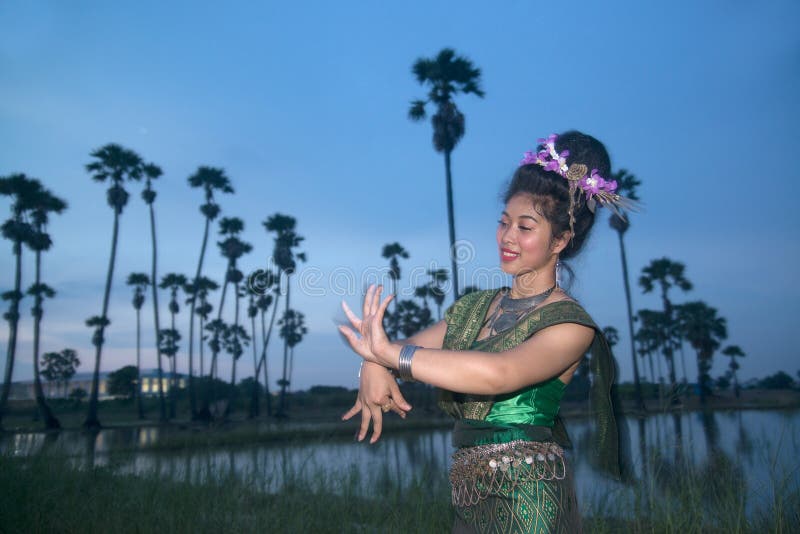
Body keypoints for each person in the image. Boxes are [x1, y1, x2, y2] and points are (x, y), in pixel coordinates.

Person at [339, 131, 628, 533]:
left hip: (531, 504)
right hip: (469, 500)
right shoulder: (475, 307)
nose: (507, 237)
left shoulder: (570, 324)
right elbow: (403, 349)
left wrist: (390, 357)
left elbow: (498, 374)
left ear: (560, 239)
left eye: (525, 227)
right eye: (504, 222)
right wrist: (371, 363)